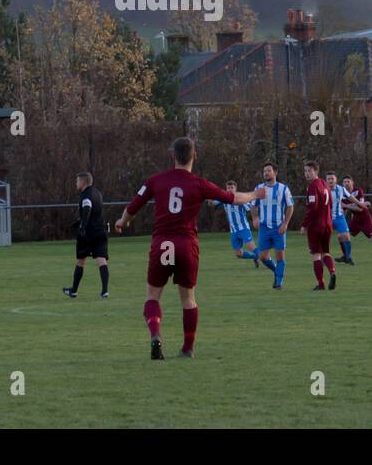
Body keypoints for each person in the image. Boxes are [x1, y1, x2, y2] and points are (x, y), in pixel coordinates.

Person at [113, 137, 264, 360]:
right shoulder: (199, 184)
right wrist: (255, 194)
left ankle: (156, 334)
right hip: (186, 244)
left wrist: (122, 221)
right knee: (188, 298)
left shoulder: (156, 180)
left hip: (163, 243)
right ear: (195, 156)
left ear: (172, 156)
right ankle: (187, 348)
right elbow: (233, 198)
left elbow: (134, 205)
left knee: (153, 297)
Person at [63, 172, 110, 298]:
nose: (76, 183)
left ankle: (74, 290)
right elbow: (94, 212)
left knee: (80, 261)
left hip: (89, 233)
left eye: (77, 181)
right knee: (101, 260)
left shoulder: (85, 195)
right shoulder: (98, 193)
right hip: (100, 230)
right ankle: (105, 291)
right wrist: (78, 221)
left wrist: (82, 226)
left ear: (83, 182)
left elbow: (88, 208)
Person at [252, 161, 293, 288]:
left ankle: (279, 283)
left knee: (280, 256)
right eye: (264, 171)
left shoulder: (283, 188)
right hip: (264, 227)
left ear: (275, 172)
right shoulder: (259, 189)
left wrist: (285, 224)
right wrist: (255, 218)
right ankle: (276, 271)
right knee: (262, 256)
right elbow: (253, 205)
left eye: (269, 171)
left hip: (278, 227)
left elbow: (290, 207)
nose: (266, 173)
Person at [299, 160, 337, 291]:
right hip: (327, 224)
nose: (307, 173)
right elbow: (331, 202)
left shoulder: (313, 186)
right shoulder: (325, 184)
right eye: (305, 171)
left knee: (316, 255)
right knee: (326, 253)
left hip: (316, 225)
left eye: (309, 171)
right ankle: (332, 271)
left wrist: (304, 225)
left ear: (316, 171)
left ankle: (321, 284)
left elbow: (312, 207)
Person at [211, 180, 260, 266]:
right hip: (233, 231)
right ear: (226, 189)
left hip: (243, 228)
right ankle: (254, 257)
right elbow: (212, 203)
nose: (230, 189)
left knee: (252, 247)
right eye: (228, 188)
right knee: (239, 254)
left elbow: (251, 207)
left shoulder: (240, 199)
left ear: (235, 189)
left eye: (232, 188)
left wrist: (256, 218)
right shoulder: (224, 199)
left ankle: (270, 263)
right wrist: (209, 198)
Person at [326, 171, 354, 265]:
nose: (330, 180)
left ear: (336, 180)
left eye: (332, 178)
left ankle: (348, 257)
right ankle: (323, 259)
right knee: (324, 239)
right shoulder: (323, 190)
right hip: (327, 218)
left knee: (346, 236)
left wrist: (360, 203)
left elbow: (350, 197)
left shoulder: (341, 189)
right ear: (326, 180)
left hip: (339, 217)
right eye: (328, 179)